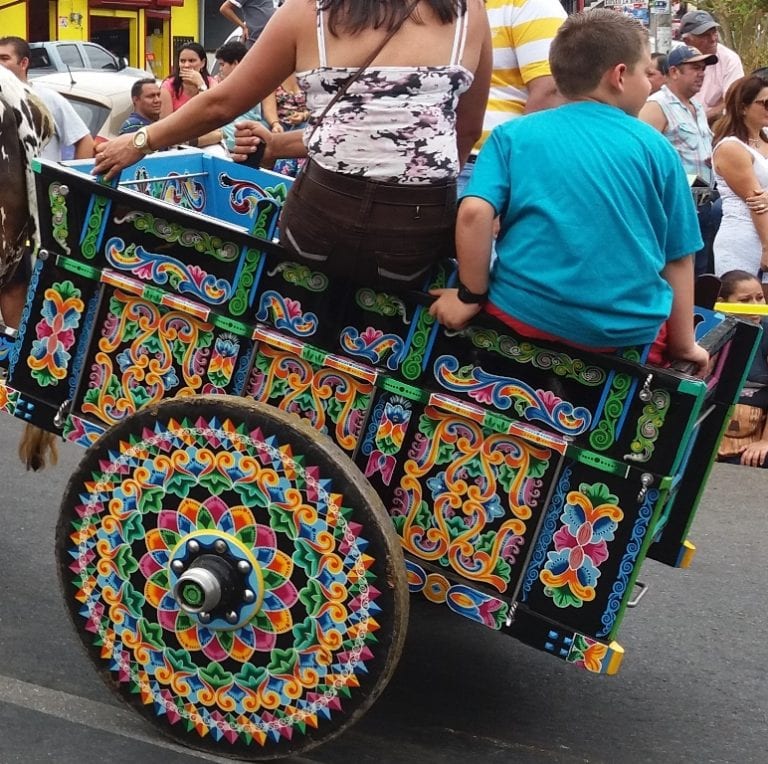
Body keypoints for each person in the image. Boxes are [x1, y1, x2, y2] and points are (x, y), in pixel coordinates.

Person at [92, 0, 492, 290]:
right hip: (417, 225)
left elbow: (220, 104)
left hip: (324, 215)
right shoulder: (468, 14)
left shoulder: (308, 13)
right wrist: (413, 186)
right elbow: (465, 130)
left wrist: (140, 140)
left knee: (303, 291)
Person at [428, 10, 709, 376]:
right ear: (620, 76)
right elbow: (679, 258)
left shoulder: (513, 135)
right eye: (645, 72)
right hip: (623, 334)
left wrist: (469, 295)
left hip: (520, 314)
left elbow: (473, 213)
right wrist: (685, 345)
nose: (651, 85)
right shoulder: (658, 150)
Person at [457, 0, 566, 190]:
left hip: (489, 166)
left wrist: (513, 173)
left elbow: (550, 92)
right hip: (440, 163)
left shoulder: (531, 5)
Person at [639, 45, 718, 276]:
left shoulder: (697, 107)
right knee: (679, 275)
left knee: (700, 276)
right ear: (674, 72)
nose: (701, 73)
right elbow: (642, 157)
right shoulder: (657, 105)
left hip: (702, 203)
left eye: (703, 68)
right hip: (675, 207)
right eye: (695, 68)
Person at [711, 75, 768, 293]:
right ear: (743, 107)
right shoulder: (731, 148)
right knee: (744, 315)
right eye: (765, 103)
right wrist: (766, 246)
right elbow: (756, 202)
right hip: (745, 237)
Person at [0, 36, 93, 162]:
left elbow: (84, 141)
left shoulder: (47, 99)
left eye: (4, 58)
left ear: (23, 63)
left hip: (43, 180)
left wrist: (76, 179)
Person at [716, 270, 768, 468]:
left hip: (756, 440)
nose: (756, 307)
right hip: (711, 433)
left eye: (760, 298)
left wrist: (765, 442)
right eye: (745, 300)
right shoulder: (708, 331)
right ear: (723, 303)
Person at [679, 10, 744, 123]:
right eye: (705, 35)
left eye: (714, 33)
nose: (713, 39)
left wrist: (700, 119)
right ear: (687, 40)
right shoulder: (677, 60)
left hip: (716, 126)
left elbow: (733, 102)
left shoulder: (729, 59)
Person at [160, 42, 226, 152]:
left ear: (202, 63)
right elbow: (165, 126)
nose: (186, 65)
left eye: (191, 61)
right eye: (182, 61)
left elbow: (213, 119)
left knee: (217, 153)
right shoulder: (168, 87)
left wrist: (201, 86)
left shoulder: (211, 84)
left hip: (207, 141)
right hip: (177, 143)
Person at [214, 39, 270, 153]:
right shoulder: (218, 83)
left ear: (235, 63)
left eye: (222, 64)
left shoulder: (254, 85)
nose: (220, 69)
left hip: (243, 144)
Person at [261, 74, 309, 176]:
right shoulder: (273, 76)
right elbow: (269, 108)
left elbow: (317, 109)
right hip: (280, 125)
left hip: (304, 124)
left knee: (305, 131)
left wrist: (303, 116)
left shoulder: (308, 76)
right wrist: (275, 124)